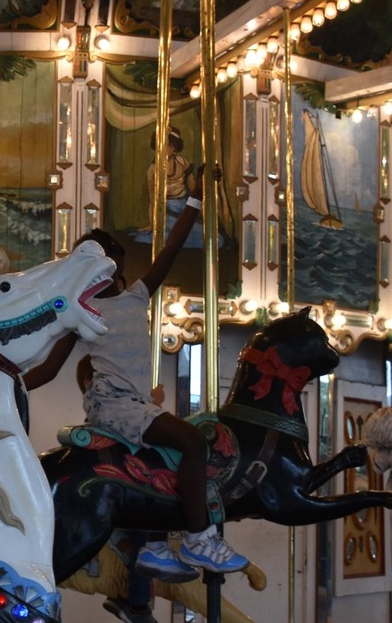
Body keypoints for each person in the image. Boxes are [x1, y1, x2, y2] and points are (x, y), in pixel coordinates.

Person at [24, 167, 247, 577]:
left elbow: (171, 250)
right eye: (97, 267)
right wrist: (10, 384)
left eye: (111, 264)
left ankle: (154, 543)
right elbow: (50, 368)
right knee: (194, 443)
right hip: (114, 406)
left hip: (138, 403)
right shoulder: (82, 314)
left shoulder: (135, 297)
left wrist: (195, 200)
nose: (106, 273)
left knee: (167, 457)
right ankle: (199, 538)